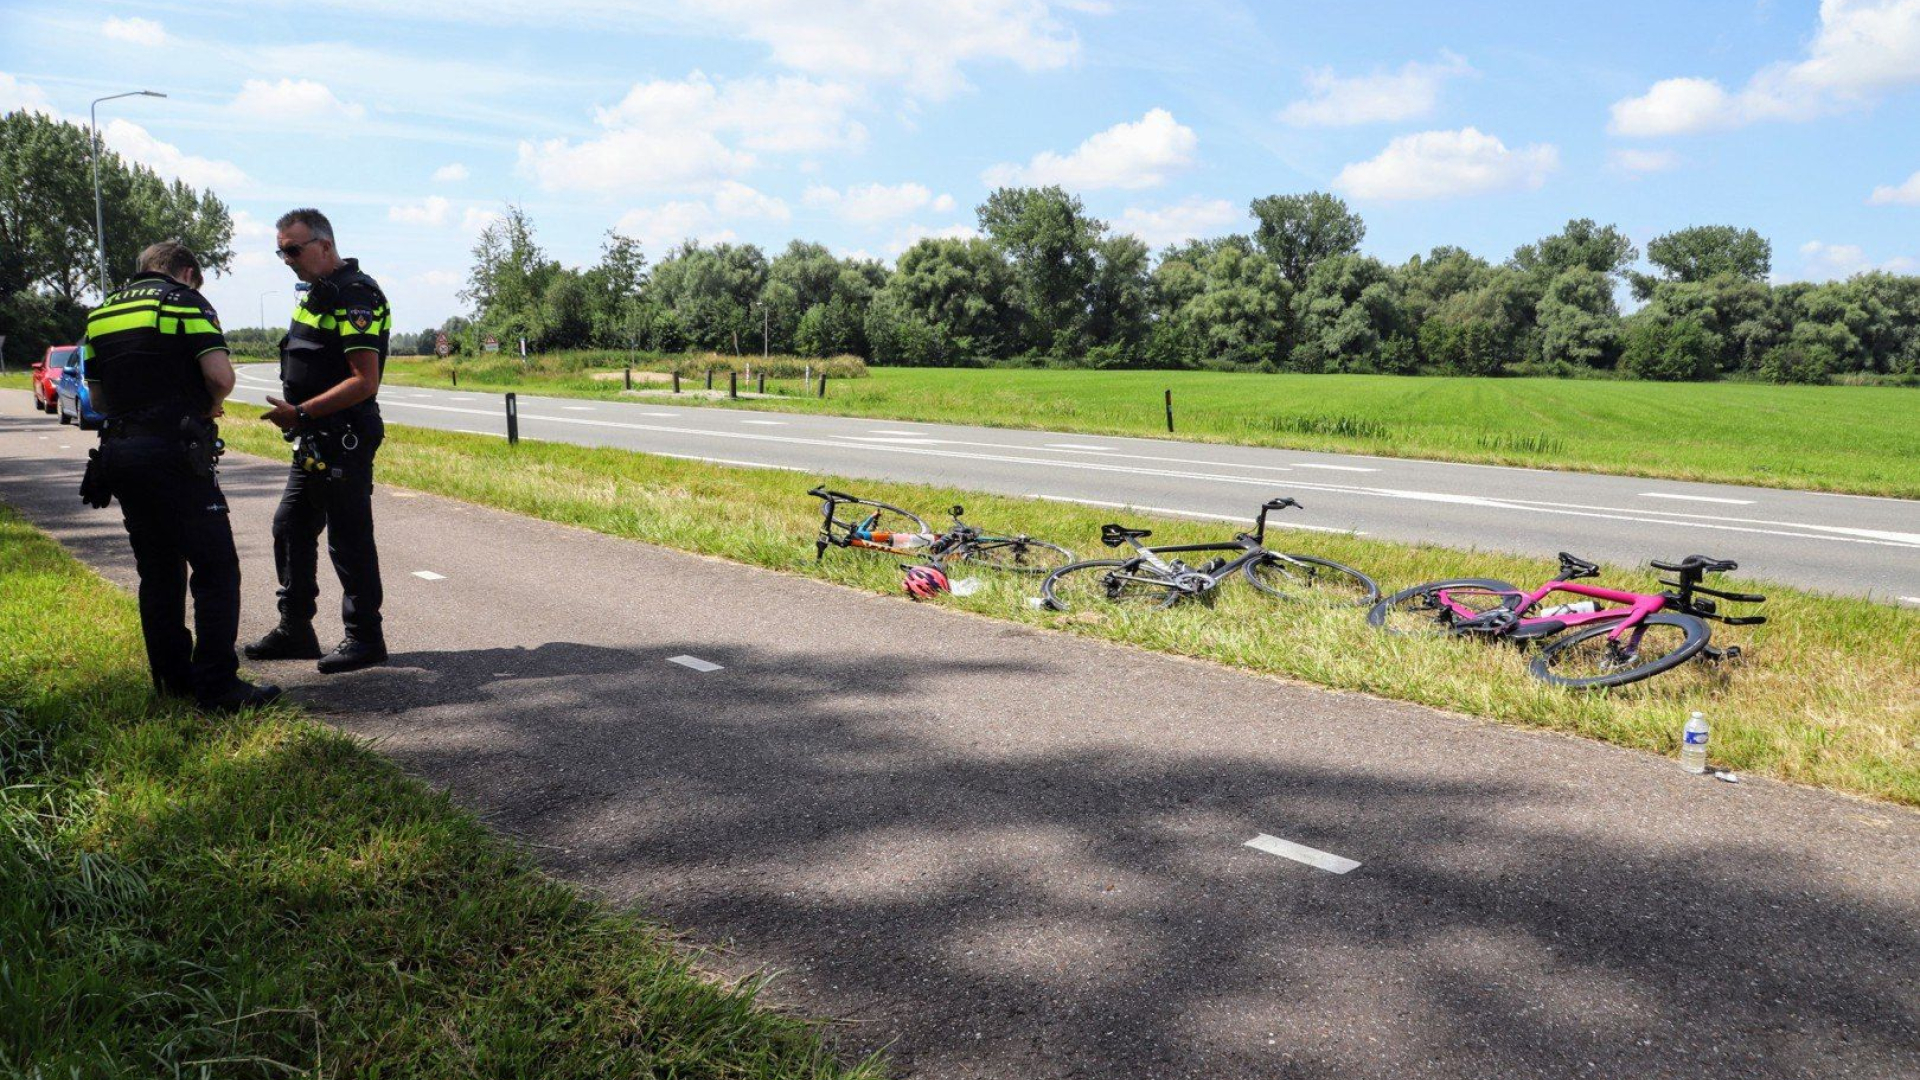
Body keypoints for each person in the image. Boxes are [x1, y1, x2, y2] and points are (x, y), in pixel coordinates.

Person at [81, 241, 280, 711]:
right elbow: (221, 376)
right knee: (215, 568)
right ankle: (218, 687)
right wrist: (208, 408)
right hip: (173, 451)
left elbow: (100, 399)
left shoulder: (100, 314)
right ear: (187, 272)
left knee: (158, 571)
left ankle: (172, 682)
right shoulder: (184, 301)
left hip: (120, 454)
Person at [244, 208, 393, 674]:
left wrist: (302, 411)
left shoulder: (355, 294)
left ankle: (365, 638)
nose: (286, 258)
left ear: (324, 246)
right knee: (289, 528)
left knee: (348, 539)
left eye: (293, 249)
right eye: (280, 251)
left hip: (342, 436)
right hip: (313, 438)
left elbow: (363, 381)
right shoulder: (317, 294)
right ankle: (296, 629)